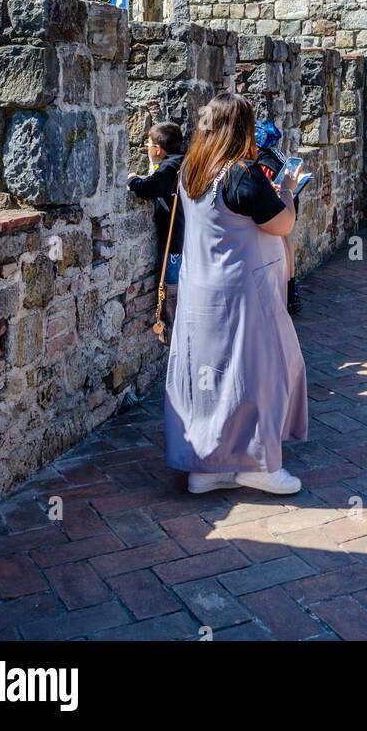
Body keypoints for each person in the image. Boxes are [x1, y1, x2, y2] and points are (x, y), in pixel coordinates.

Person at [164, 92, 308, 496]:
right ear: (242, 129)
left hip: (200, 292)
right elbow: (281, 225)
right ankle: (258, 464)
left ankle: (207, 466)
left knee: (206, 376)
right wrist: (287, 190)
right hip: (245, 290)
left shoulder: (191, 170)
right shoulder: (239, 174)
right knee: (265, 372)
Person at [128, 122, 184, 342]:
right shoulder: (183, 162)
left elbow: (148, 187)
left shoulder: (171, 166)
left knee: (172, 291)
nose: (146, 147)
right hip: (186, 241)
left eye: (148, 144)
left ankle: (171, 336)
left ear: (159, 149)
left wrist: (133, 179)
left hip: (174, 244)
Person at [254, 118, 303, 315]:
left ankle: (288, 292)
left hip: (279, 204)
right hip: (288, 200)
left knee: (283, 246)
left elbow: (266, 185)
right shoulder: (277, 154)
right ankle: (292, 292)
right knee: (287, 243)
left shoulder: (265, 161)